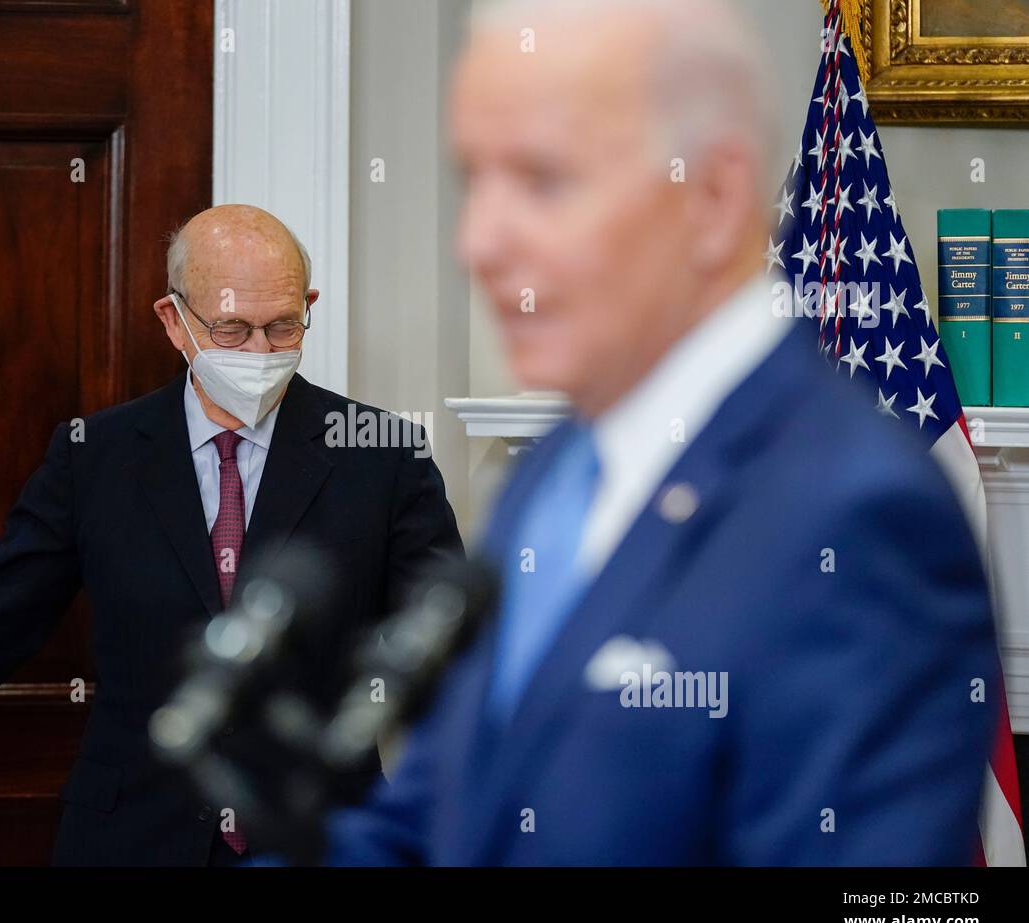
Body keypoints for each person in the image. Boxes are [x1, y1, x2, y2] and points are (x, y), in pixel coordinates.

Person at [319, 0, 999, 865]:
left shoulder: (860, 513)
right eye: (473, 181)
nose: (478, 242)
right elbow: (441, 819)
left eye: (544, 180)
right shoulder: (555, 471)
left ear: (711, 198)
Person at [0, 204, 463, 866]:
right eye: (231, 329)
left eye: (282, 326)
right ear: (173, 320)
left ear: (308, 309)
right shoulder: (94, 453)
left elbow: (449, 654)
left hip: (322, 837)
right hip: (134, 834)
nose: (260, 349)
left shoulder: (382, 455)